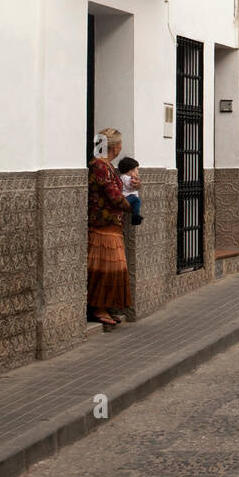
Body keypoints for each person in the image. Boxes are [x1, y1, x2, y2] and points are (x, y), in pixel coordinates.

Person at [87, 128, 133, 330]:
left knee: (111, 268)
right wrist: (131, 203)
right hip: (102, 226)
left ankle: (104, 307)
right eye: (120, 144)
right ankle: (99, 308)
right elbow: (113, 195)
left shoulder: (107, 166)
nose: (121, 147)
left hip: (111, 225)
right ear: (115, 147)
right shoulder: (100, 167)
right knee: (105, 269)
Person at [116, 155, 143, 225]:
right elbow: (129, 186)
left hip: (128, 197)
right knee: (137, 201)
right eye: (136, 169)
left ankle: (135, 215)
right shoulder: (126, 177)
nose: (137, 171)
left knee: (137, 202)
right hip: (127, 197)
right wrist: (133, 180)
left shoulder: (125, 177)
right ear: (131, 170)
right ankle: (135, 216)